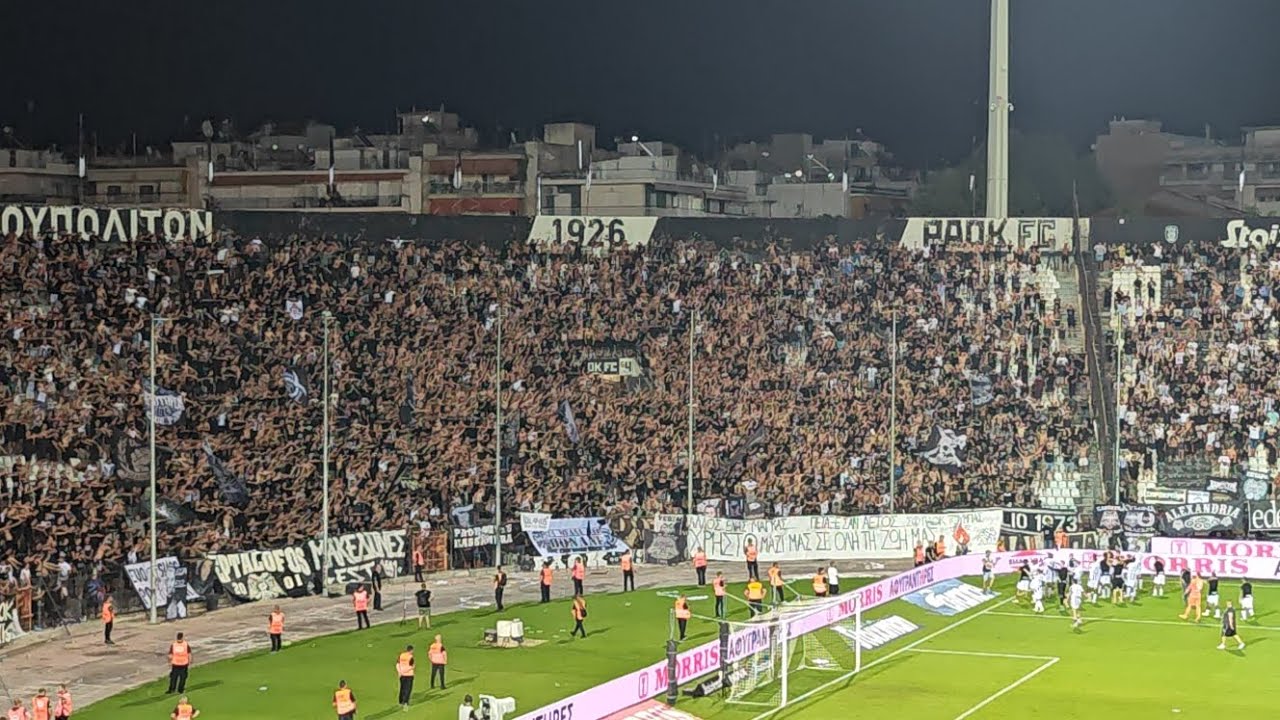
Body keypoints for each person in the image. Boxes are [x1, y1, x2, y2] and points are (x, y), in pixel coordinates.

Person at [396, 644, 415, 710]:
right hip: (409, 675)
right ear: (411, 650)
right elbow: (411, 666)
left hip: (402, 675)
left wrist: (400, 672)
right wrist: (410, 668)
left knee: (402, 688)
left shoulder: (401, 655)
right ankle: (406, 702)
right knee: (408, 689)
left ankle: (400, 701)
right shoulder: (410, 657)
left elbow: (397, 664)